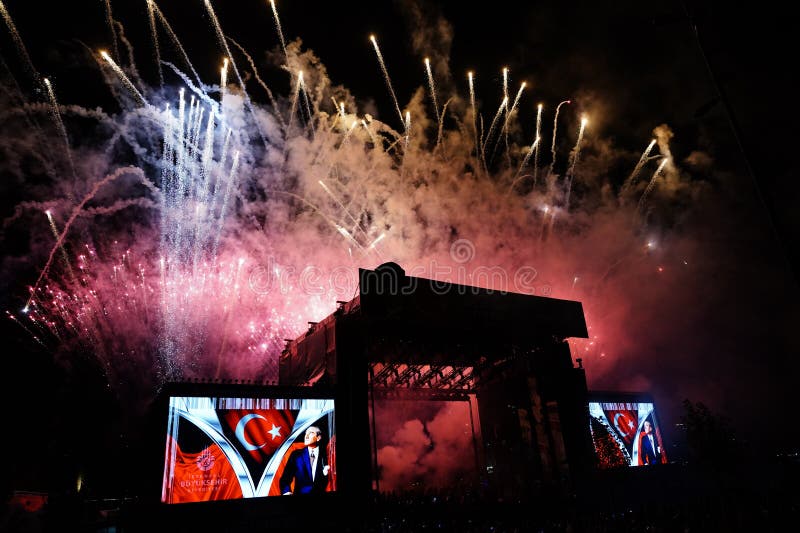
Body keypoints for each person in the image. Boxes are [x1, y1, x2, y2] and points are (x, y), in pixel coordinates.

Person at [279, 426, 330, 494]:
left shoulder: (326, 454)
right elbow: (285, 479)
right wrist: (287, 492)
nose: (306, 436)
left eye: (311, 433)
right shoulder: (296, 455)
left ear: (318, 438)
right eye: (306, 433)